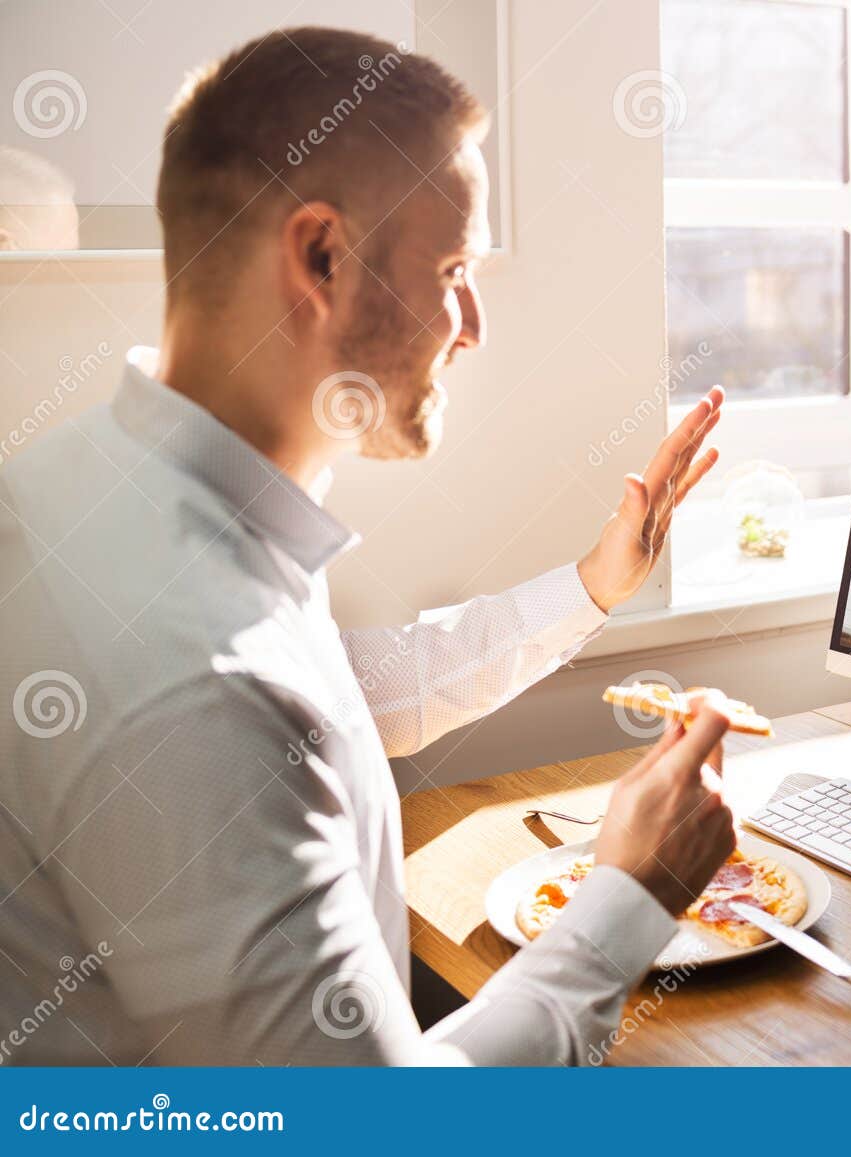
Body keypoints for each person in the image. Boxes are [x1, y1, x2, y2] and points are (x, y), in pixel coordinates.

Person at [0, 29, 735, 1066]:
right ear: (320, 257)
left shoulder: (105, 489)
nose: (471, 324)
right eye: (452, 268)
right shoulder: (191, 674)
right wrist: (630, 900)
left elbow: (343, 700)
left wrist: (592, 584)